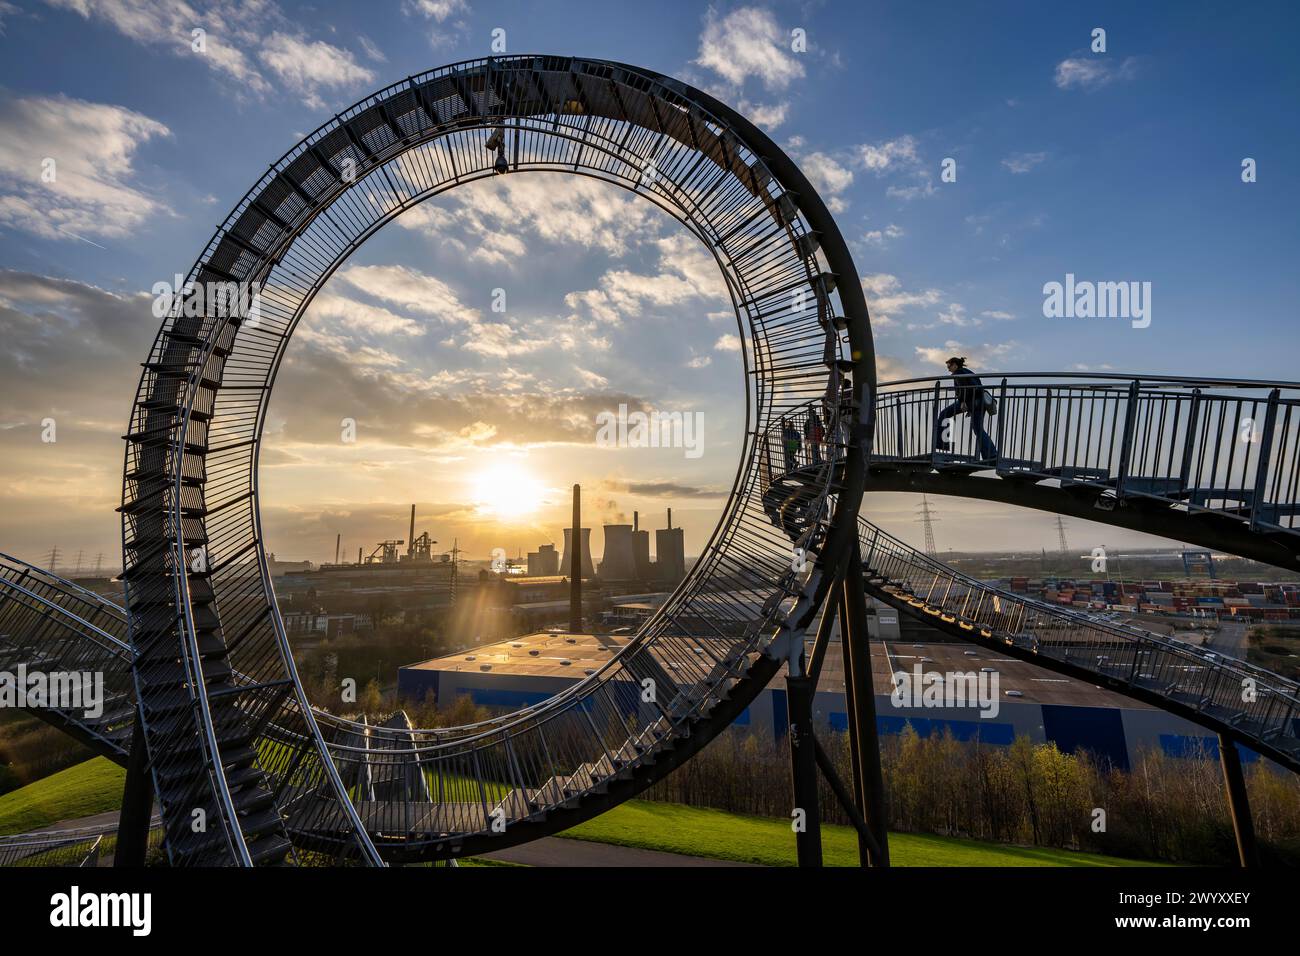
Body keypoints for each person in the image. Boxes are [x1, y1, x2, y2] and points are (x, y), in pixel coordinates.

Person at [934, 356, 998, 460]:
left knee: (944, 413)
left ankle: (942, 444)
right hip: (979, 402)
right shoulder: (967, 372)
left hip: (971, 402)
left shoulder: (958, 373)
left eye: (949, 366)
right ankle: (991, 455)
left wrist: (964, 401)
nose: (948, 369)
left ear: (955, 365)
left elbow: (965, 388)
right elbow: (975, 386)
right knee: (978, 429)